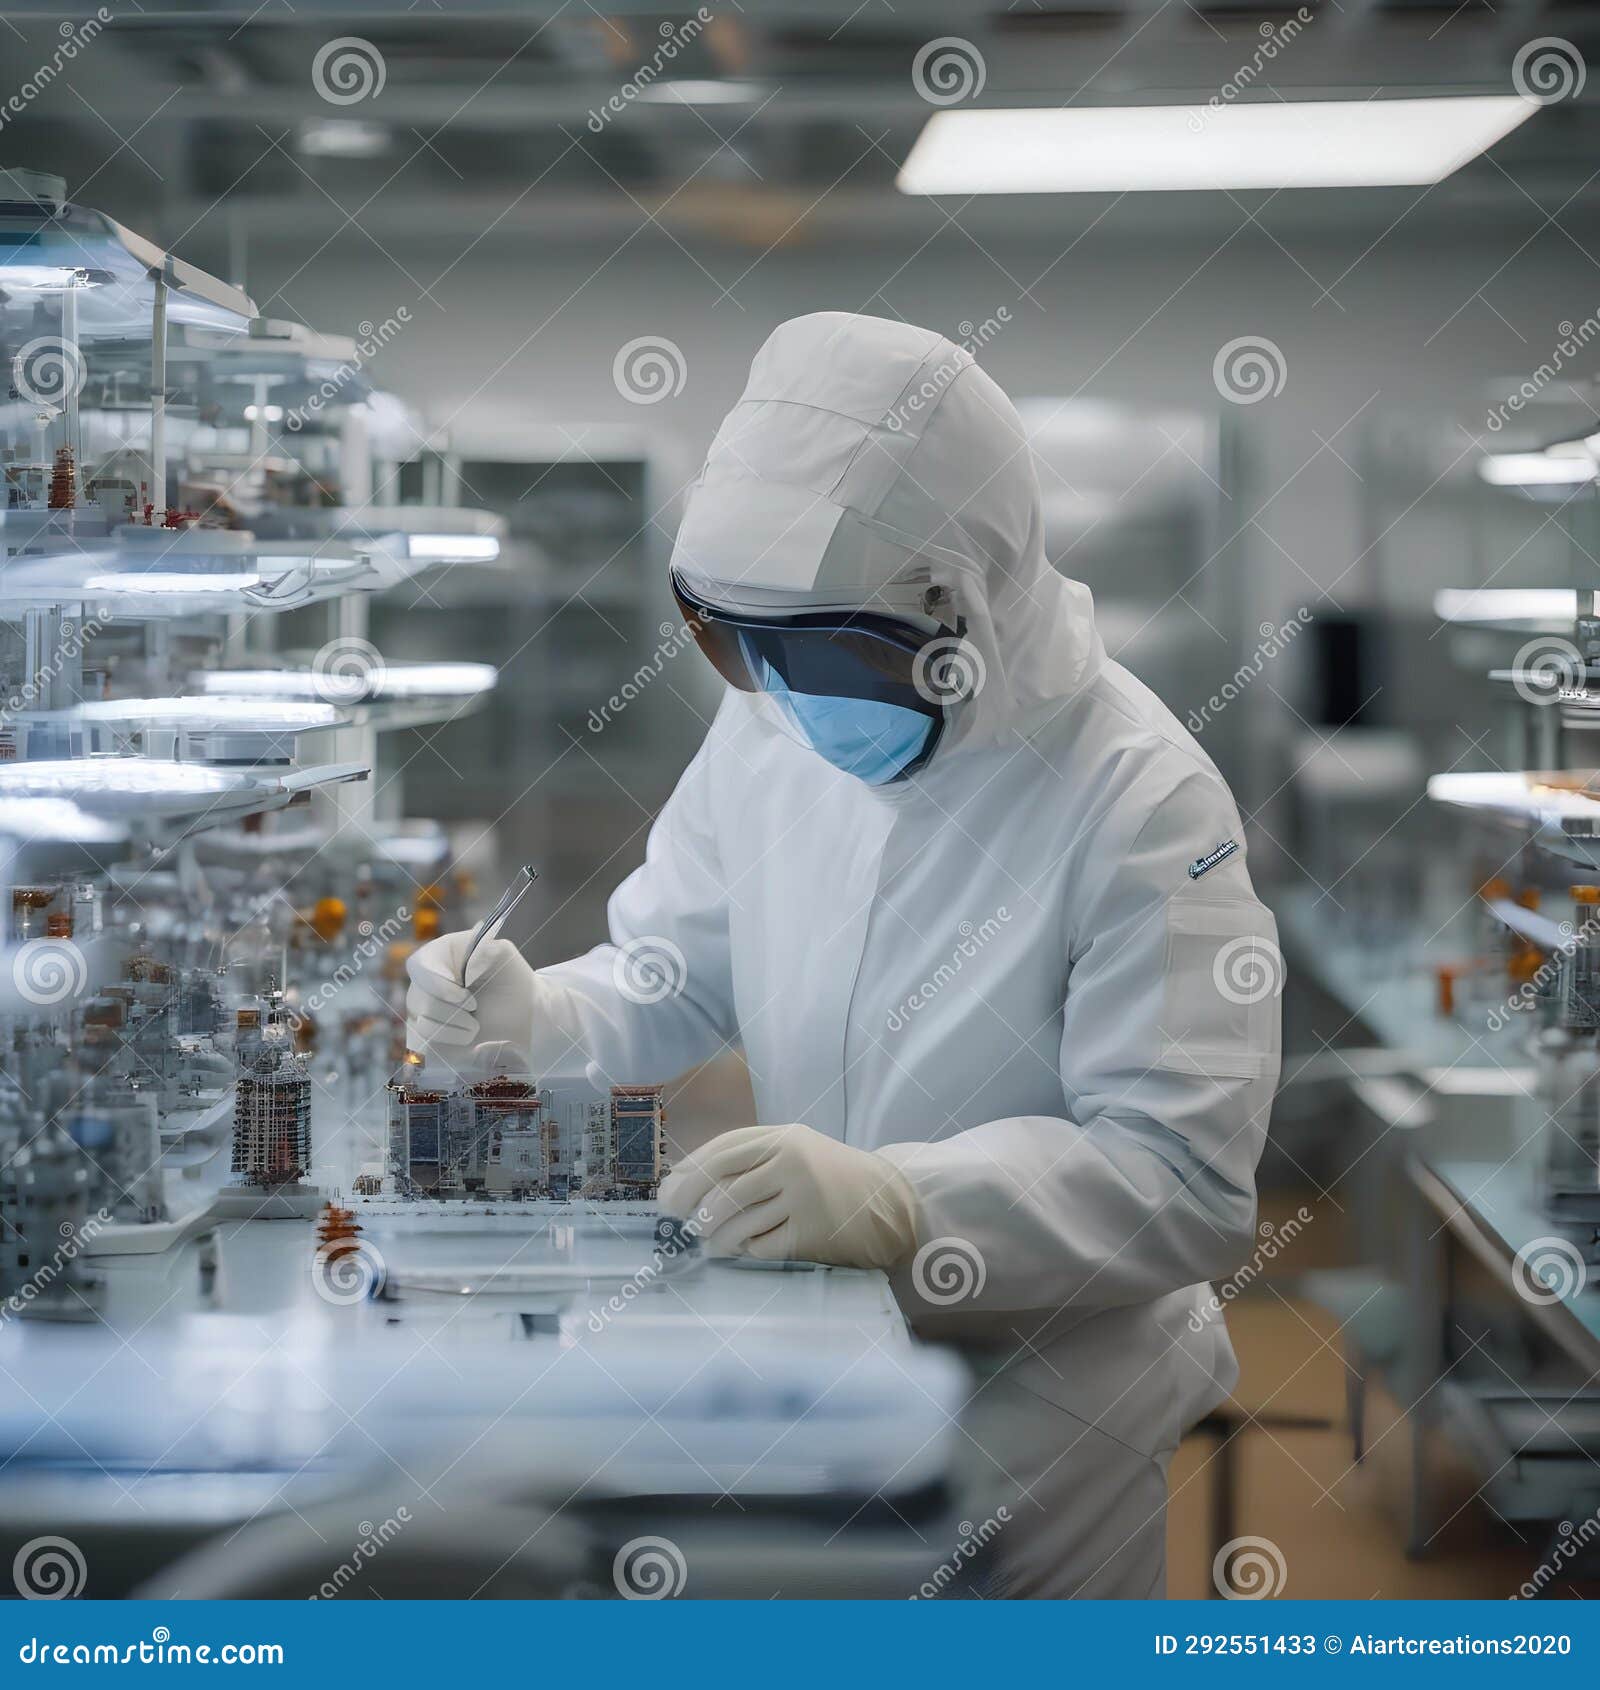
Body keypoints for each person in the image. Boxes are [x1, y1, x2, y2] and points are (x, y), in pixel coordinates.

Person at [406, 311, 1282, 1597]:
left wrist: (906, 1203)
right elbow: (674, 974)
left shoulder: (1140, 797)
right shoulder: (774, 727)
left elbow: (1185, 1179)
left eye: (825, 652)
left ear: (959, 603)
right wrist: (535, 1016)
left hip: (1051, 1415)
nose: (782, 690)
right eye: (737, 644)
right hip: (833, 1359)